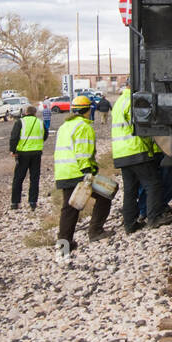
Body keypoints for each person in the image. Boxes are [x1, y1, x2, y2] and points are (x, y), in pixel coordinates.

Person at [54, 94, 116, 253]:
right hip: (78, 173)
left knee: (70, 208)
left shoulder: (65, 126)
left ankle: (64, 244)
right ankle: (95, 231)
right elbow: (82, 154)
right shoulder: (84, 127)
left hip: (63, 173)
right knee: (104, 196)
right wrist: (88, 173)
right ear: (89, 110)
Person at [111, 85, 172, 233]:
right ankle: (154, 218)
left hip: (121, 153)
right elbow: (143, 128)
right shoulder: (134, 101)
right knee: (153, 184)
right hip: (136, 150)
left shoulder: (119, 102)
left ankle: (130, 224)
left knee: (130, 190)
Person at [9, 104, 47, 209]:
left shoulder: (20, 122)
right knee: (34, 178)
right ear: (35, 113)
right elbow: (45, 135)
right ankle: (33, 202)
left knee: (18, 178)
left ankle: (15, 203)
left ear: (25, 112)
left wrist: (12, 150)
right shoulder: (40, 123)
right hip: (36, 153)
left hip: (22, 153)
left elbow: (14, 137)